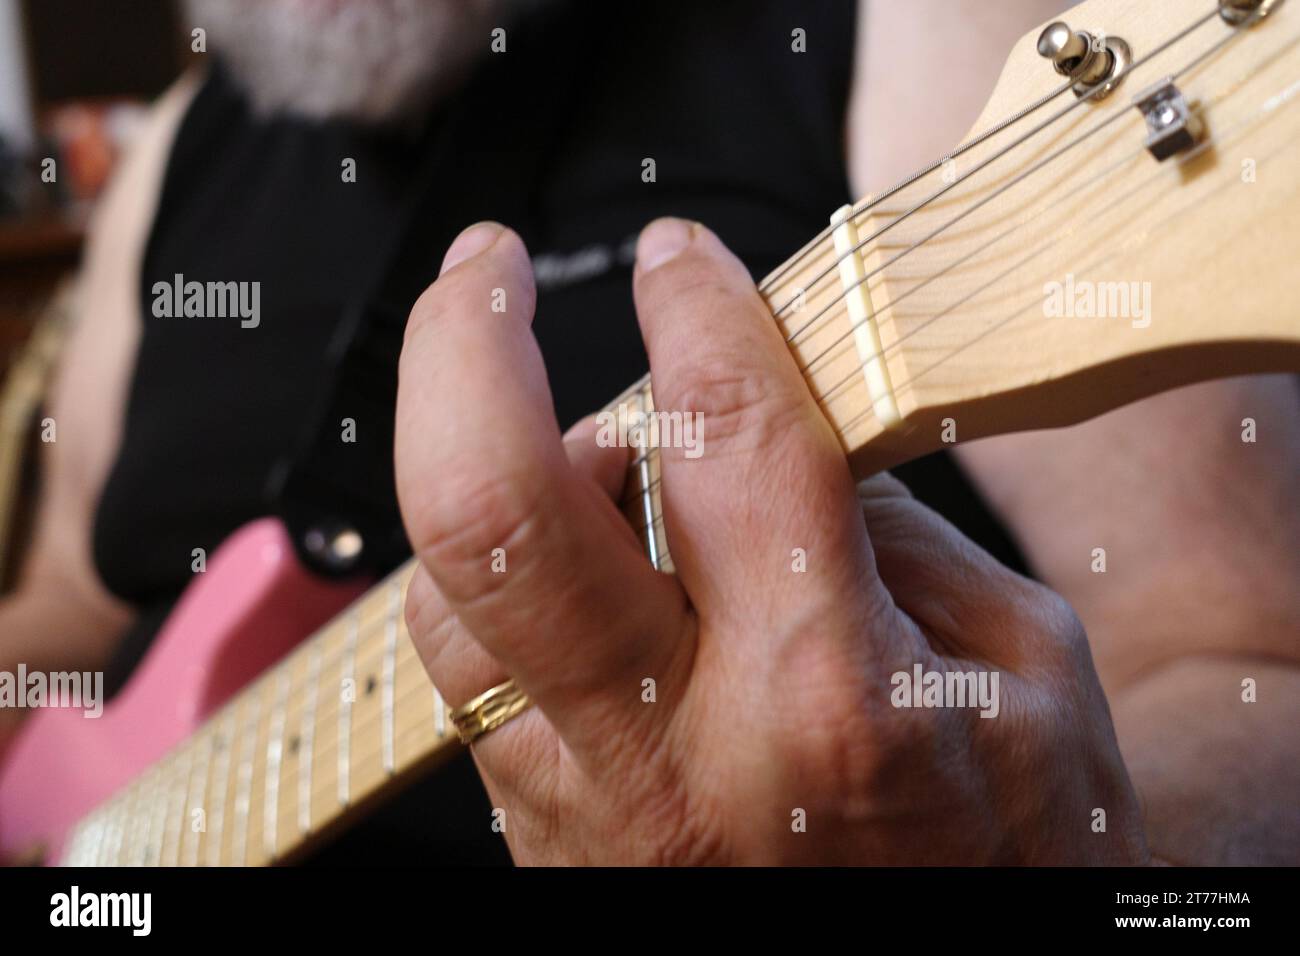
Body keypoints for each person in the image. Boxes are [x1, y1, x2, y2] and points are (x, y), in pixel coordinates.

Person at [2, 0, 1297, 865]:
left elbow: (1251, 665)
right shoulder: (180, 141)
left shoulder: (911, 24)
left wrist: (1087, 849)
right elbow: (71, 594)